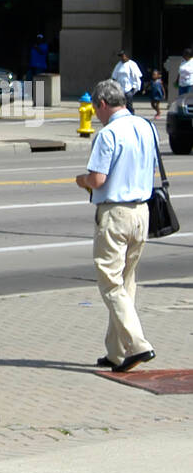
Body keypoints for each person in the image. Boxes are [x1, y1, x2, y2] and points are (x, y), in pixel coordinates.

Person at [74, 79, 158, 373]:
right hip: (142, 211)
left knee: (110, 282)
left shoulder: (108, 134)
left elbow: (97, 180)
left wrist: (81, 180)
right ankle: (115, 351)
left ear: (102, 104)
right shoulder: (146, 126)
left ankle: (138, 345)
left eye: (96, 109)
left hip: (115, 213)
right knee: (127, 281)